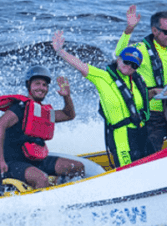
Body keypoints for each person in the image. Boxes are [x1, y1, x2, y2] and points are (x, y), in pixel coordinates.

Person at [52, 30, 152, 168]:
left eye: (134, 65)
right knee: (128, 170)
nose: (129, 67)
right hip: (120, 137)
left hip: (140, 133)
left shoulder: (137, 82)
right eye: (127, 62)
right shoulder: (102, 77)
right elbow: (80, 65)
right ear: (119, 60)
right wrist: (60, 51)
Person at [0, 65, 85, 194]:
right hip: (13, 163)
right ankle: (43, 205)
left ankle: (64, 194)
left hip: (36, 160)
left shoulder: (43, 112)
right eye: (37, 84)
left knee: (77, 167)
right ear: (29, 85)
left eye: (44, 85)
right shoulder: (19, 108)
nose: (41, 88)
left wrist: (67, 97)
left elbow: (68, 115)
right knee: (41, 179)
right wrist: (0, 161)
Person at [115, 5, 167, 151]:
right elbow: (119, 54)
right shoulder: (141, 49)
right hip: (152, 114)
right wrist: (129, 29)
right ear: (155, 31)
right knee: (152, 151)